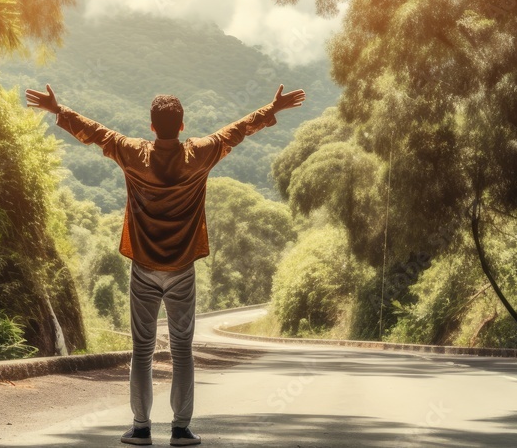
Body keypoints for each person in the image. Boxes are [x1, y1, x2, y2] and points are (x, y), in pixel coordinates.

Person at [25, 83, 306, 446]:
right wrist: (272, 108)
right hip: (182, 270)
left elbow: (94, 133)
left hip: (142, 268)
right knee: (182, 349)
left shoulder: (133, 153)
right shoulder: (200, 154)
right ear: (182, 124)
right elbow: (237, 131)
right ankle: (181, 429)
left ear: (153, 126)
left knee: (142, 351)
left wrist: (58, 109)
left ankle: (140, 427)